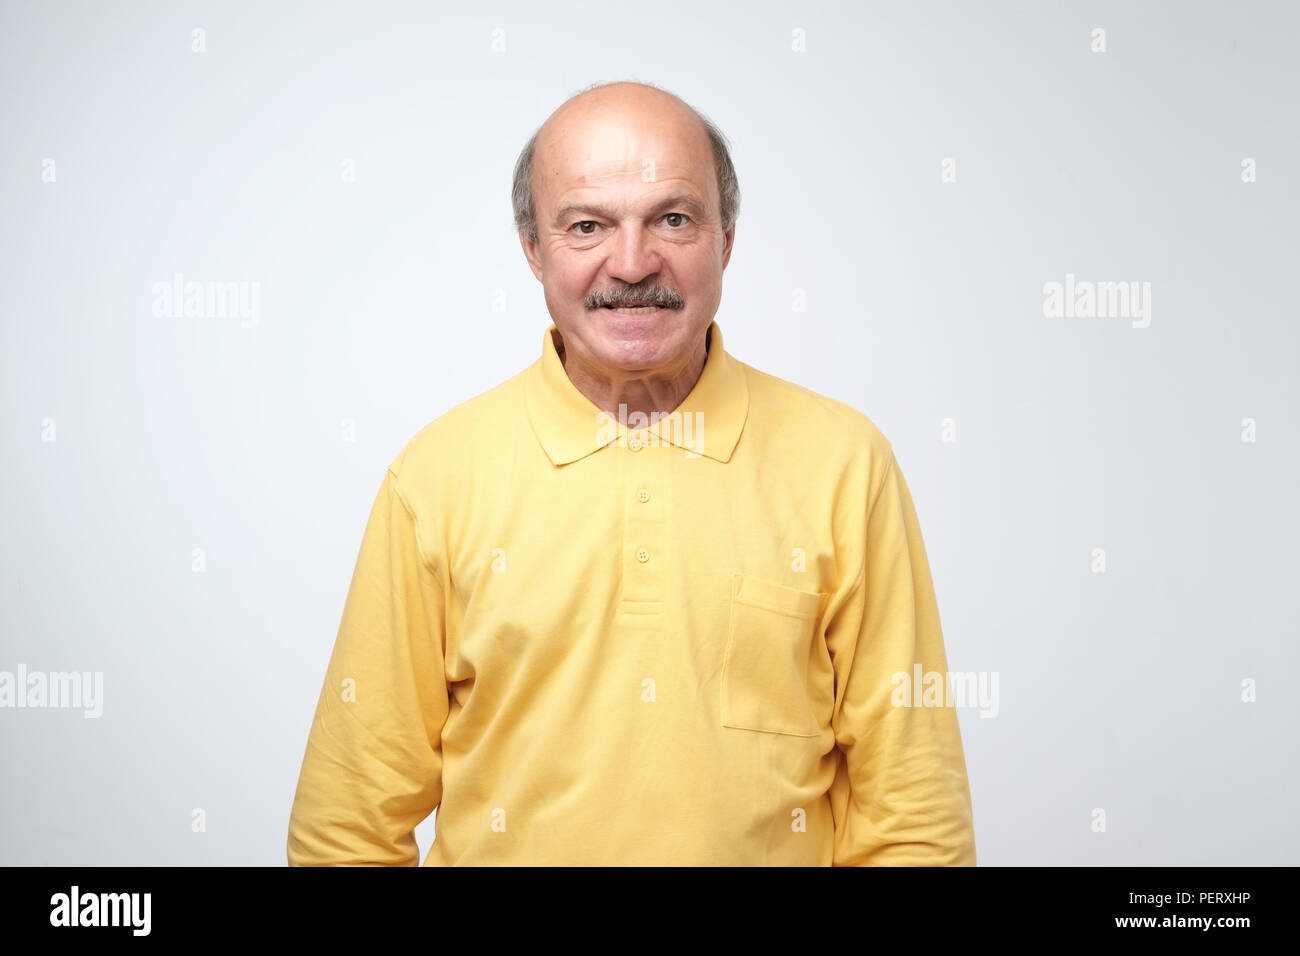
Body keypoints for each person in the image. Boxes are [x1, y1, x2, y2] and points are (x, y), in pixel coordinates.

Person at [286, 80, 976, 866]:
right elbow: (346, 826)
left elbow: (914, 816)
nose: (633, 261)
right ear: (533, 250)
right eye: (587, 225)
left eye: (673, 219)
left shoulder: (846, 466)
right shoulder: (434, 480)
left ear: (727, 239)